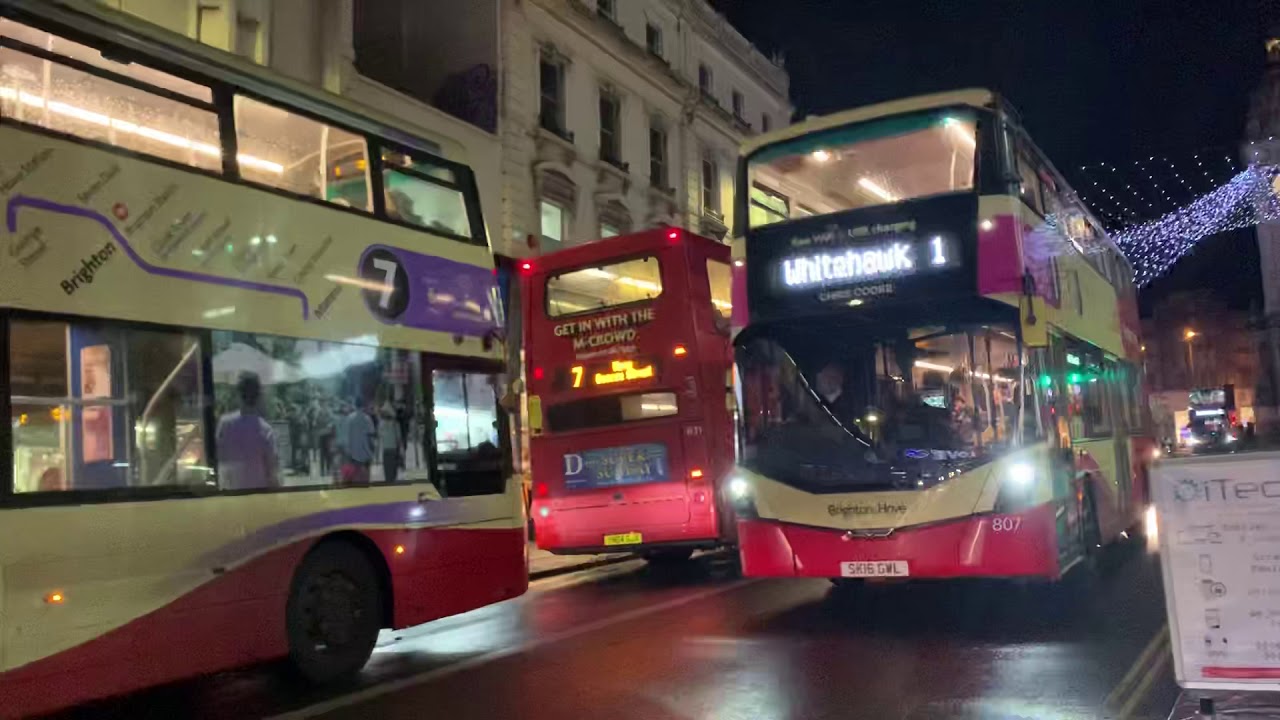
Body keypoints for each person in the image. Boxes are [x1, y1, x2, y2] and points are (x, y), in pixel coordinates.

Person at [216, 372, 279, 490]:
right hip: (258, 497)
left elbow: (219, 458)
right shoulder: (265, 430)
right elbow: (272, 472)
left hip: (230, 496)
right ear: (259, 397)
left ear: (238, 394)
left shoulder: (225, 424)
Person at [337, 397, 376, 485]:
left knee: (353, 478)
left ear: (355, 405)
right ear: (363, 405)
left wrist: (347, 450)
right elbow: (371, 435)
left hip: (352, 453)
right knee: (365, 478)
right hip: (365, 453)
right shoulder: (367, 419)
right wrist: (372, 451)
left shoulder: (349, 418)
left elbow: (346, 436)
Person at [379, 404, 403, 484]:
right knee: (393, 472)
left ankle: (389, 483)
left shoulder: (381, 424)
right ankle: (392, 483)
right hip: (394, 449)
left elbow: (380, 436)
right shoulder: (395, 424)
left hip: (386, 449)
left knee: (387, 472)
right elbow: (399, 438)